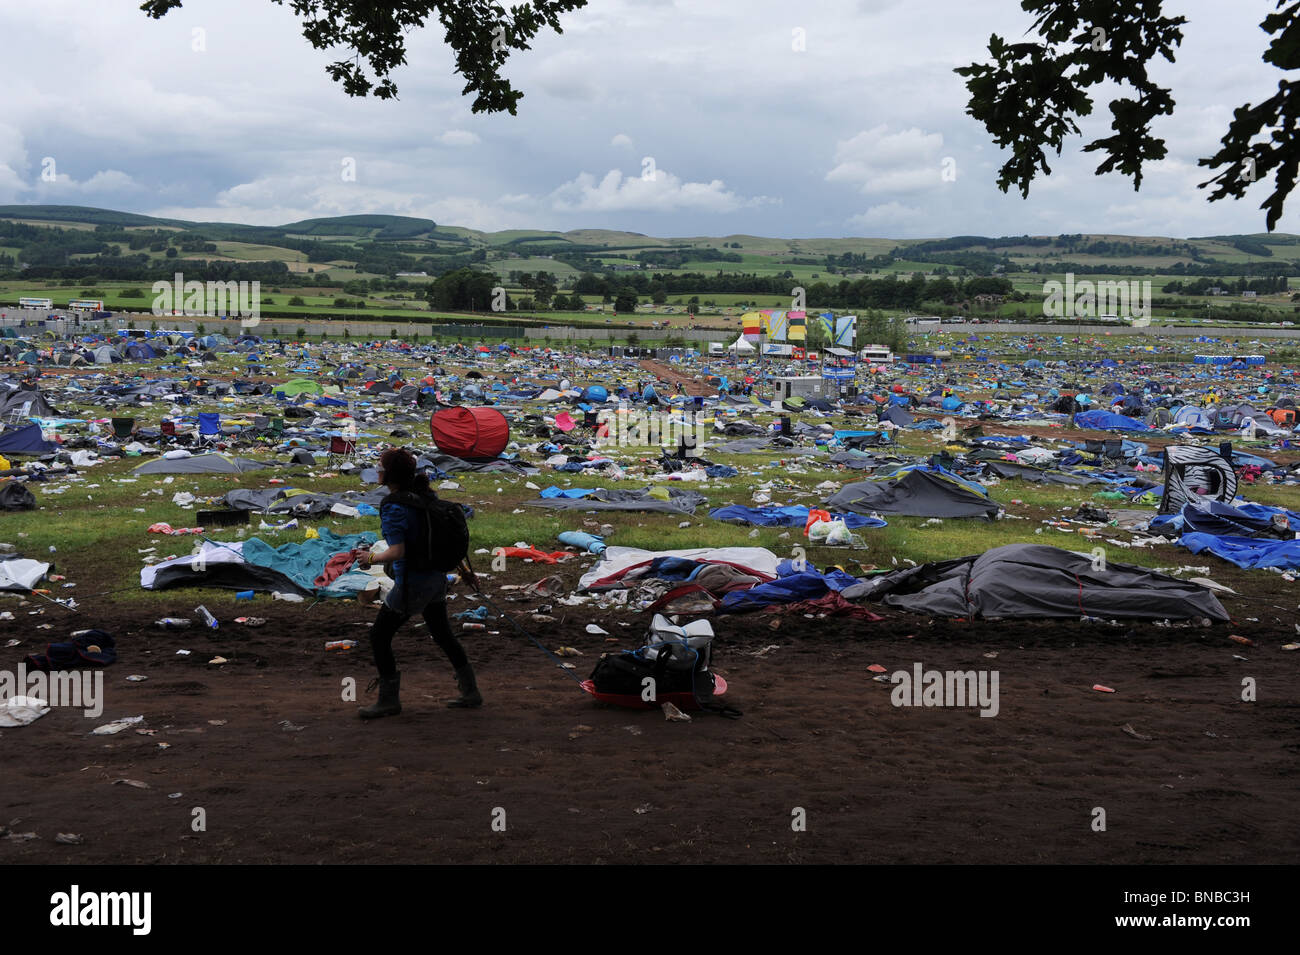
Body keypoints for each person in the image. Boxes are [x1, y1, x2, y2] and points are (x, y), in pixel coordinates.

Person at [357, 447, 481, 719]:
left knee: (379, 636)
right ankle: (470, 691)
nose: (377, 469)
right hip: (436, 578)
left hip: (413, 582)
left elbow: (397, 551)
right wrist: (464, 571)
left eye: (380, 465)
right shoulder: (424, 498)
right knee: (441, 632)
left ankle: (389, 700)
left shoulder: (395, 507)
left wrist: (371, 557)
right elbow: (436, 538)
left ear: (389, 474)